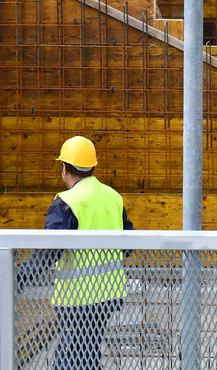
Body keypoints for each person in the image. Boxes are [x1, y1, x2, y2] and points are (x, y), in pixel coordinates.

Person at [25, 136, 132, 370]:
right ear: (93, 166)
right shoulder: (113, 197)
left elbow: (48, 250)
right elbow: (128, 244)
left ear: (64, 168)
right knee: (85, 351)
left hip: (77, 299)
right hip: (110, 294)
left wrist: (20, 276)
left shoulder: (66, 202)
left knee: (71, 359)